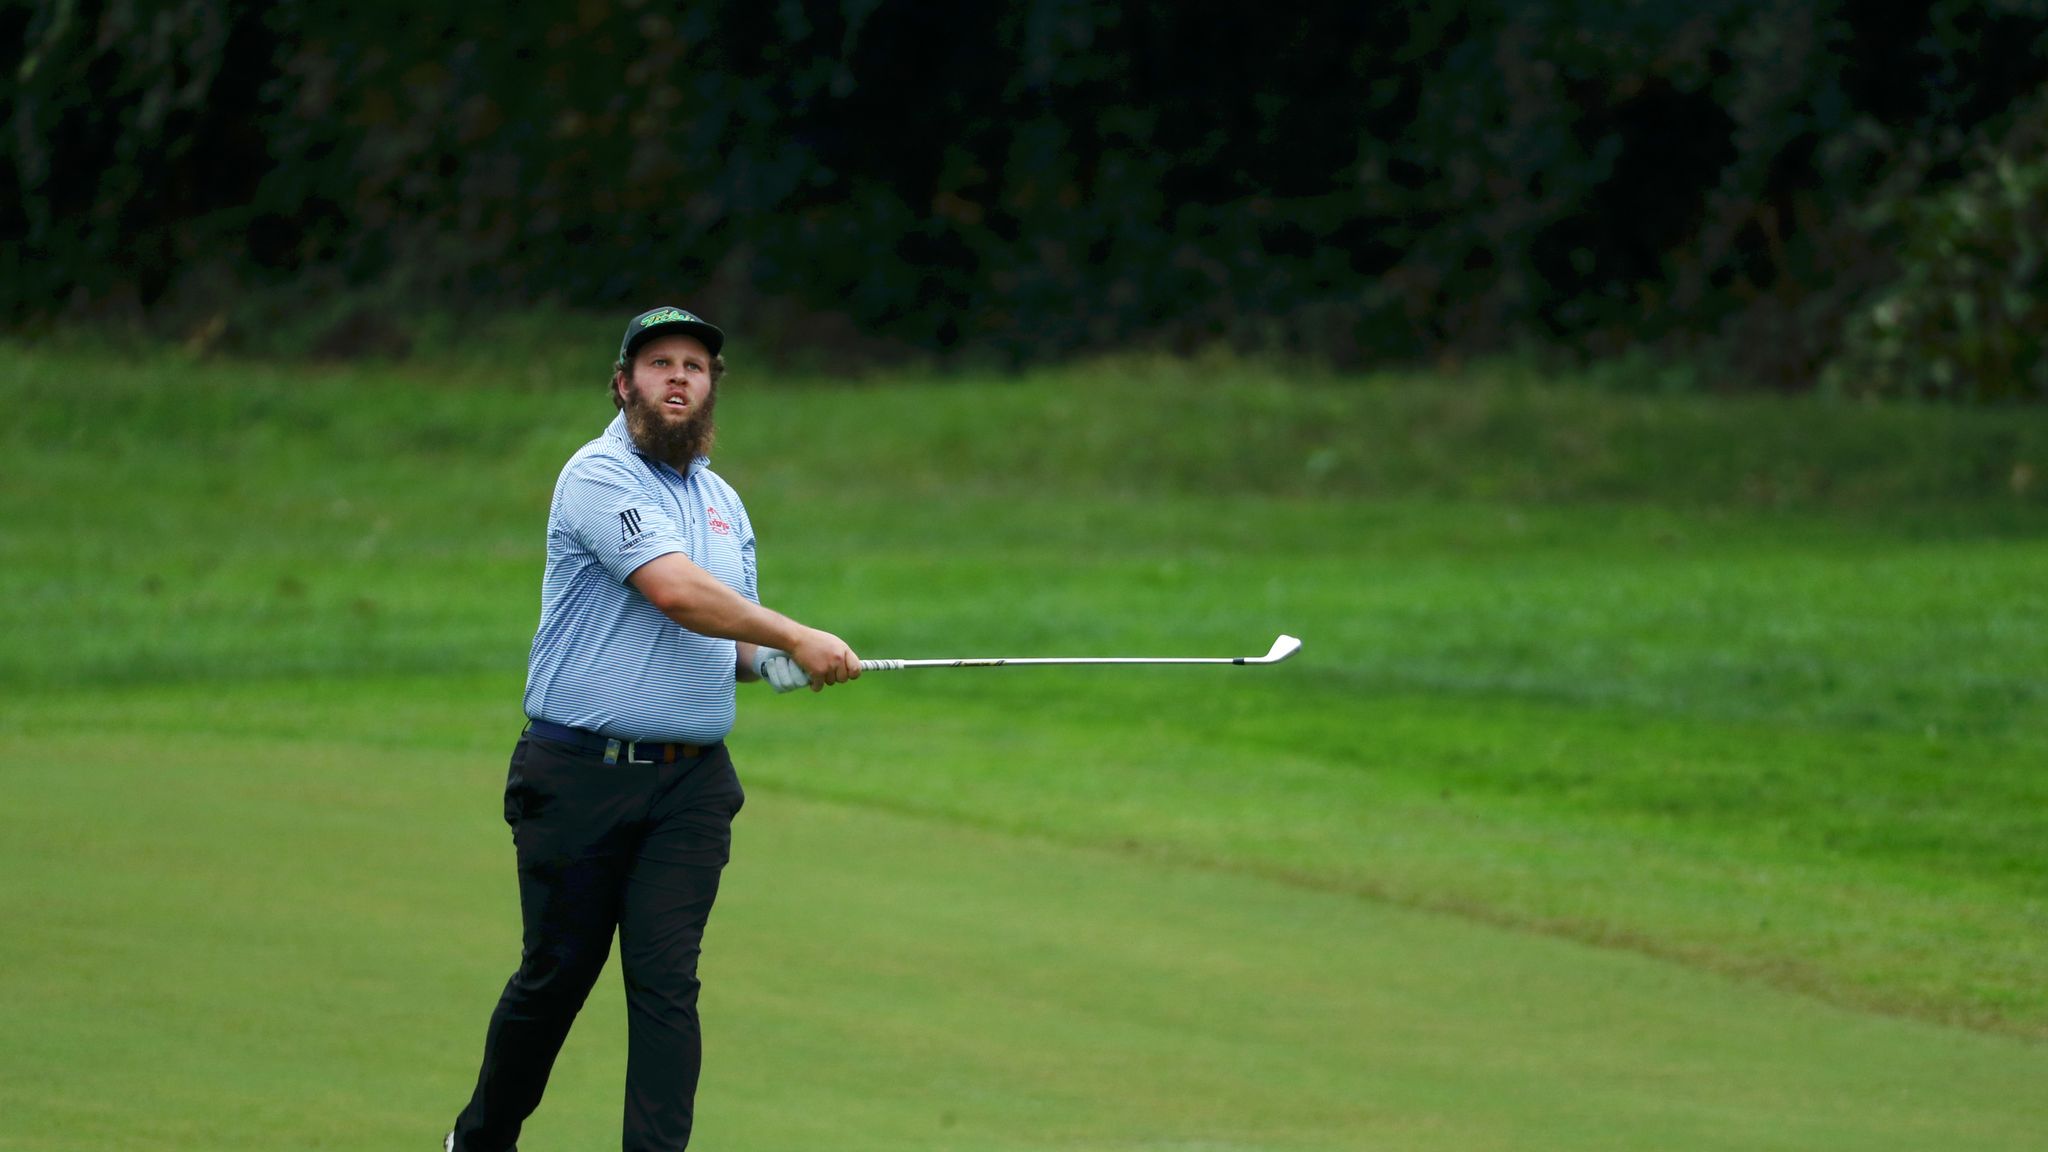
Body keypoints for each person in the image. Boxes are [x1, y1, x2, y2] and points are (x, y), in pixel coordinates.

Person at [447, 306, 861, 1151]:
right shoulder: (598, 476)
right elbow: (674, 592)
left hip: (689, 787)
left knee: (667, 984)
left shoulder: (722, 502)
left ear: (712, 388)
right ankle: (479, 1142)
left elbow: (730, 637)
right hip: (579, 776)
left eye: (695, 366)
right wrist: (794, 634)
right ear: (623, 383)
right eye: (659, 362)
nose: (678, 376)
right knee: (556, 979)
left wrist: (776, 660)